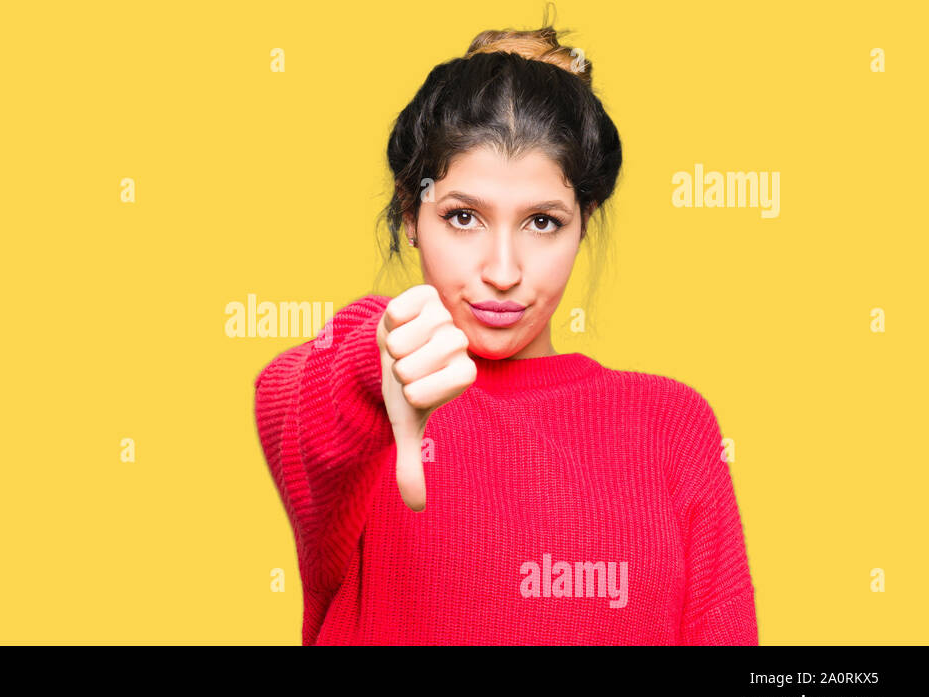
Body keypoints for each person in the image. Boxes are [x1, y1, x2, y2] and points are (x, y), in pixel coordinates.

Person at [253, 22, 758, 645]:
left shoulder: (674, 426)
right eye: (462, 217)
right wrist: (375, 354)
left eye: (542, 222)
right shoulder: (366, 421)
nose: (502, 270)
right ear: (412, 216)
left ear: (584, 222)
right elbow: (288, 397)